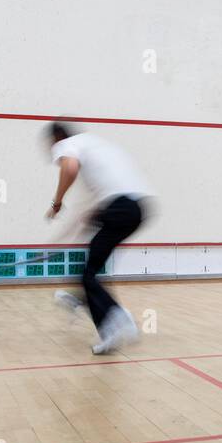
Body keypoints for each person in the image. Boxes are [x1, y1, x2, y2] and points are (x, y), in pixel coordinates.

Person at [44, 121, 153, 354]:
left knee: (88, 274)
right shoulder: (96, 145)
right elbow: (97, 205)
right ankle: (90, 307)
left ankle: (115, 317)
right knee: (90, 269)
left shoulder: (67, 145)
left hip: (119, 208)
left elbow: (70, 169)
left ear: (56, 138)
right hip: (139, 208)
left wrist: (57, 202)